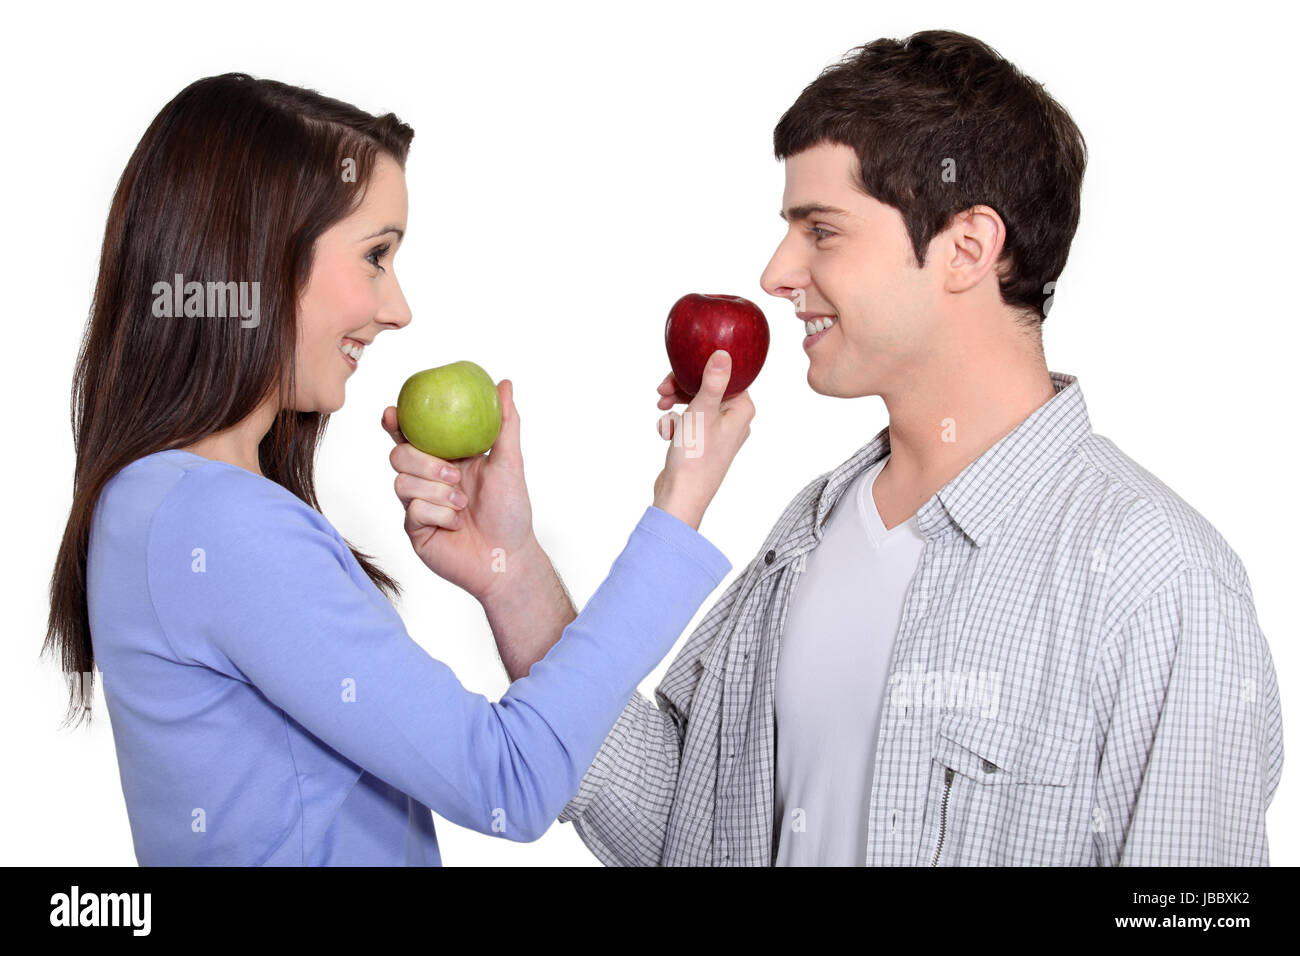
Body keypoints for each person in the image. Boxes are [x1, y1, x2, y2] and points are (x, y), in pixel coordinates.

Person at [554, 29, 1284, 866]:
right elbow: (687, 831)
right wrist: (507, 567)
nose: (775, 272)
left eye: (820, 231)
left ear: (966, 249)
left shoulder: (1154, 579)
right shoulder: (809, 531)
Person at [43, 73, 754, 865]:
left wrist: (505, 563)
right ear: (259, 257)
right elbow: (508, 781)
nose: (398, 308)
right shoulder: (220, 521)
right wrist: (679, 504)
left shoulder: (147, 500)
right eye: (375, 255)